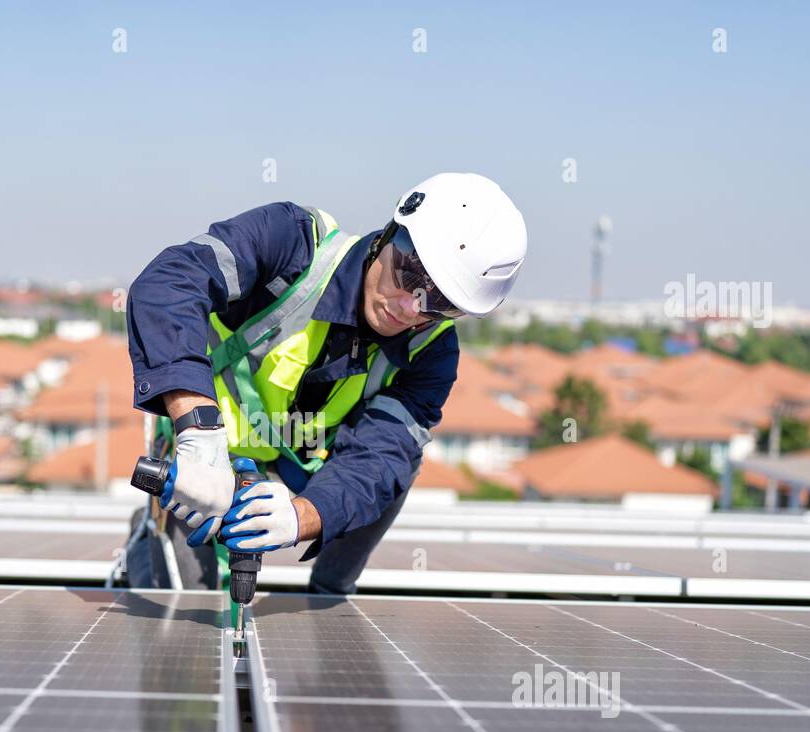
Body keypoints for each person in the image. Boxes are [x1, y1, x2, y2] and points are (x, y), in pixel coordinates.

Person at [126, 172, 526, 594]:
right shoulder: (292, 242)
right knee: (183, 596)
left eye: (440, 303)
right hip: (202, 455)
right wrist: (199, 435)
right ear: (390, 234)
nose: (410, 308)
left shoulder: (432, 352)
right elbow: (168, 284)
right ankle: (150, 540)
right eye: (409, 275)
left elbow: (381, 456)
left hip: (299, 472)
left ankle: (329, 597)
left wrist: (301, 516)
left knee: (398, 467)